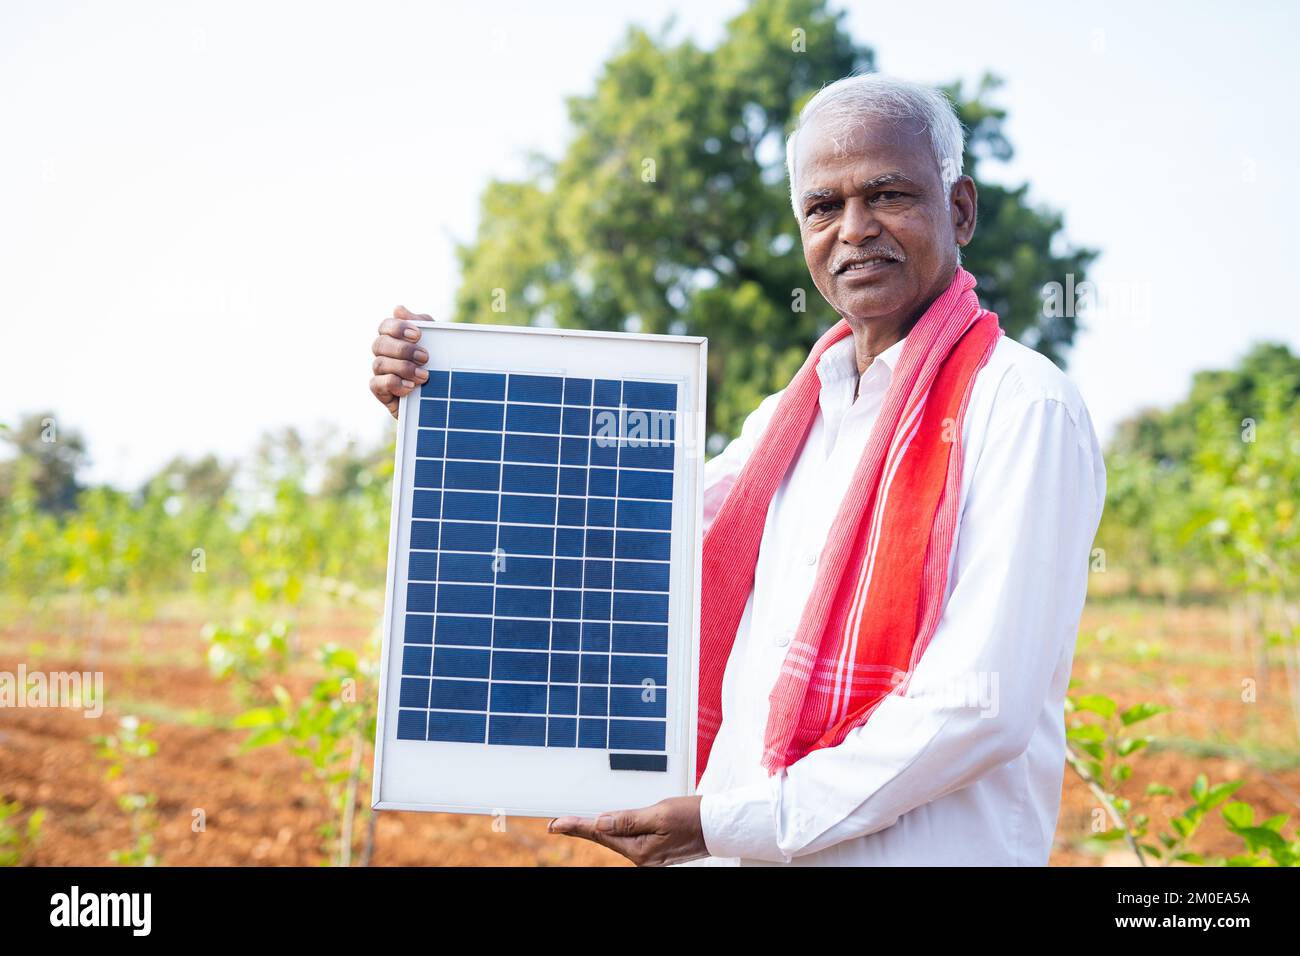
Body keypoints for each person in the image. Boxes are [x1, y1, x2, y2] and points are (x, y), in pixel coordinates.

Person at [368, 73, 1106, 866]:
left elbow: (977, 708)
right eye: (823, 207)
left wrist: (731, 824)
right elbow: (614, 529)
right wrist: (456, 406)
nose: (854, 229)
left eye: (888, 195)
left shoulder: (1022, 405)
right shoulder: (786, 425)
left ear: (959, 209)